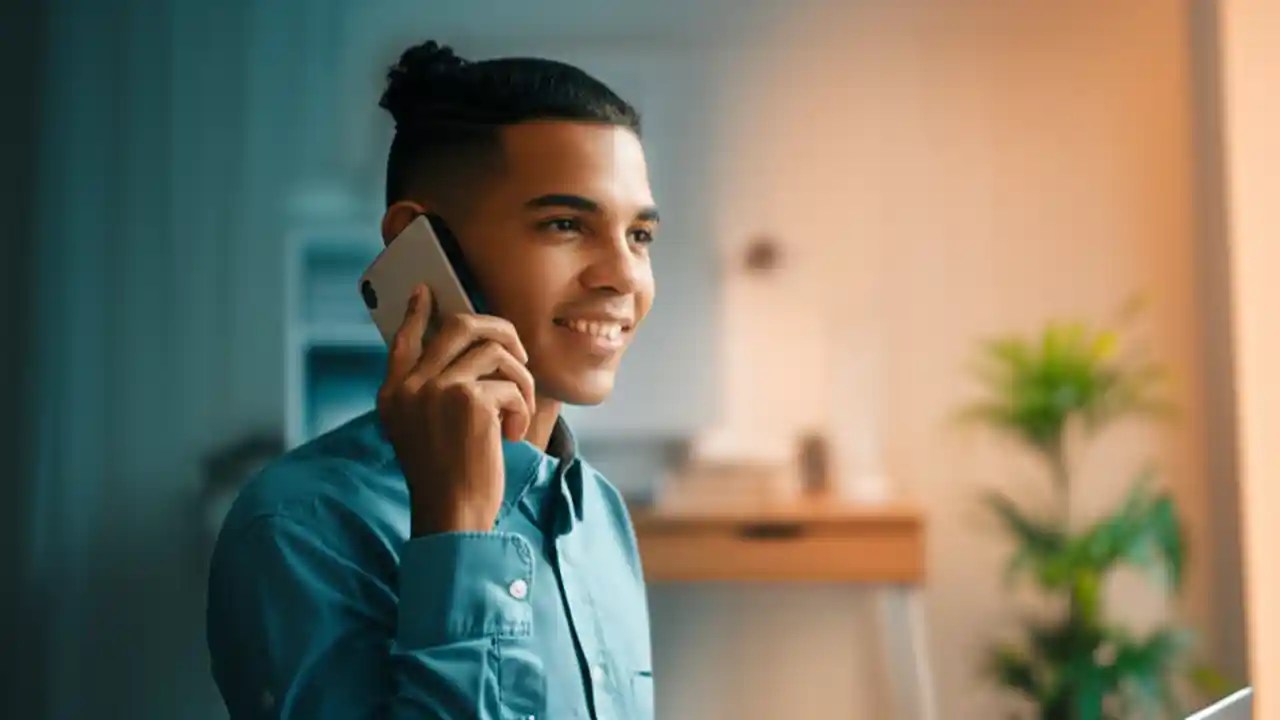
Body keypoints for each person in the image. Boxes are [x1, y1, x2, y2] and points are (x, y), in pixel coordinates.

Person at [207, 39, 659, 719]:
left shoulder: (599, 512)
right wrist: (453, 533)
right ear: (420, 246)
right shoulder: (299, 527)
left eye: (640, 237)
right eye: (566, 224)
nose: (623, 276)